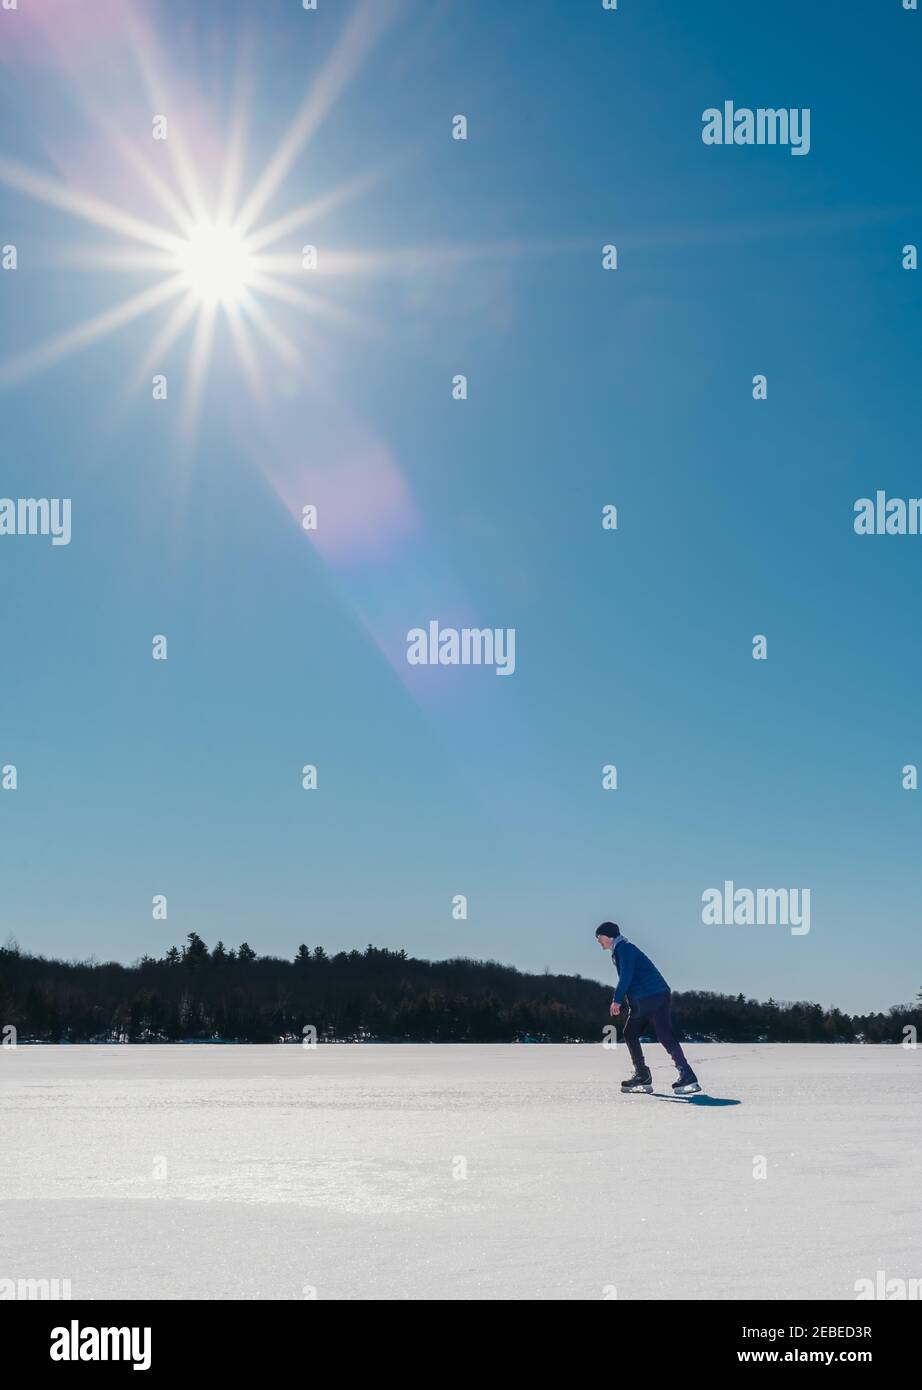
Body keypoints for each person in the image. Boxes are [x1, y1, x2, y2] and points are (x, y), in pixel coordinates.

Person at [595, 922, 700, 1095]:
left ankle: (674, 1073)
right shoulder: (621, 949)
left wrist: (617, 1000)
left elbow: (627, 976)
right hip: (649, 998)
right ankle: (649, 1073)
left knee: (659, 1034)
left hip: (652, 996)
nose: (598, 941)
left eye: (599, 938)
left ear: (607, 936)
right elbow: (632, 978)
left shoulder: (624, 949)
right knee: (635, 1033)